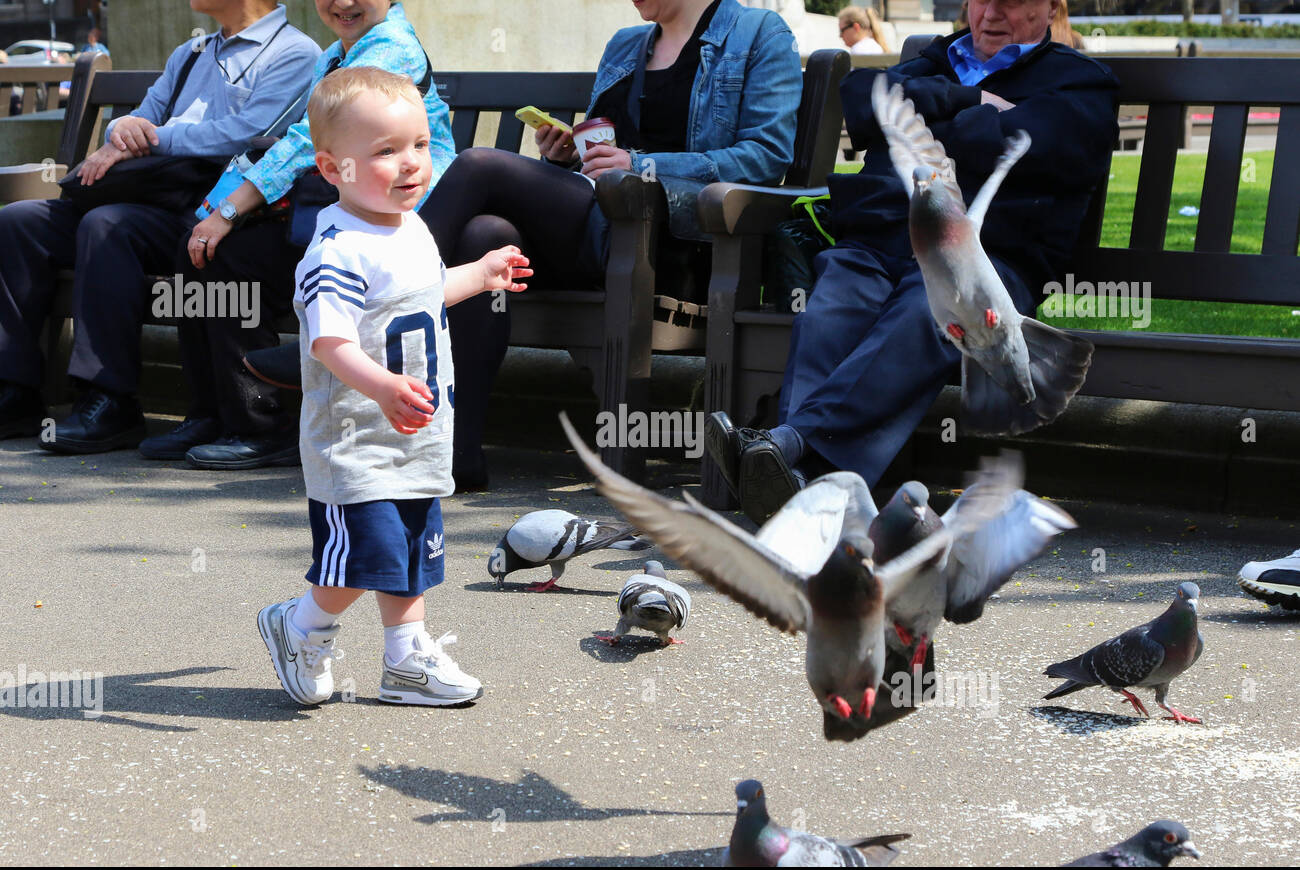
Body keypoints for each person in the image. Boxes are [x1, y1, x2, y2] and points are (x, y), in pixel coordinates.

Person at [707, 0, 1119, 523]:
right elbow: (861, 100)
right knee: (830, 312)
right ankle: (803, 485)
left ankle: (788, 451)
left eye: (1011, 1)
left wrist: (926, 119)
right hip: (877, 241)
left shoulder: (1078, 80)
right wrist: (970, 99)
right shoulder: (938, 58)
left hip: (983, 262)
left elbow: (1039, 145)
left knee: (927, 318)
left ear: (1050, 8)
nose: (991, 13)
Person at [413, 0, 801, 490]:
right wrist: (568, 156)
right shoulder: (625, 45)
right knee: (488, 239)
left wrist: (638, 164)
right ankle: (458, 455)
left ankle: (386, 298)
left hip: (676, 241)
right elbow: (601, 162)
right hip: (600, 226)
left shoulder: (758, 33)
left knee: (479, 164)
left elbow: (764, 158)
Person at [256, 67, 530, 707]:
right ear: (333, 169)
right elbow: (329, 342)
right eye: (384, 152)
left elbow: (427, 295)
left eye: (419, 146)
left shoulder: (409, 227)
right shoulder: (338, 249)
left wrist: (481, 274)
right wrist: (380, 388)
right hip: (356, 440)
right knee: (361, 558)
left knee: (413, 552)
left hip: (418, 430)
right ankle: (301, 626)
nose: (409, 165)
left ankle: (405, 657)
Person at [141, 0, 456, 470]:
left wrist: (228, 210)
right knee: (209, 255)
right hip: (347, 212)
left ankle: (262, 424)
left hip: (394, 224)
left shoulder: (390, 47)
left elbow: (307, 139)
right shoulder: (334, 54)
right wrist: (219, 210)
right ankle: (216, 412)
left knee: (227, 256)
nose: (343, 3)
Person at [0, 1, 319, 450]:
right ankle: (14, 391)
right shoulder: (191, 51)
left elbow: (247, 133)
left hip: (206, 205)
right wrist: (122, 134)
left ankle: (110, 400)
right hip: (145, 190)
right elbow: (141, 117)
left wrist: (150, 139)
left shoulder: (294, 53)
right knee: (19, 222)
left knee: (106, 226)